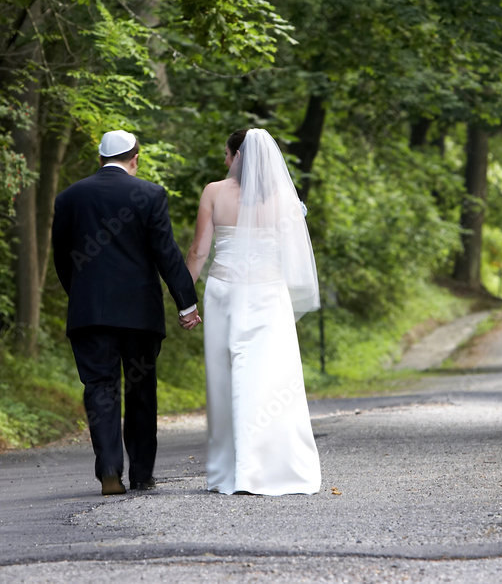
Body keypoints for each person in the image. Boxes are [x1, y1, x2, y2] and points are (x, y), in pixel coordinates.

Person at [52, 130, 202, 496]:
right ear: (135, 157)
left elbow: (62, 257)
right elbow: (165, 251)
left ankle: (108, 469)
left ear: (100, 159)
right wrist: (187, 303)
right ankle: (142, 475)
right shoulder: (149, 194)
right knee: (140, 390)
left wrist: (81, 297)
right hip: (140, 315)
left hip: (90, 314)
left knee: (99, 388)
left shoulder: (70, 197)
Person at [186, 128, 322, 495]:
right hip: (268, 294)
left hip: (224, 293)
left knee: (226, 377)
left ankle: (230, 469)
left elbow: (199, 253)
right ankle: (267, 466)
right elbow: (293, 256)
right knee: (271, 379)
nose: (224, 161)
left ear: (237, 156)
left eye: (227, 155)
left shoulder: (214, 192)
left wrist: (183, 297)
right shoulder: (284, 199)